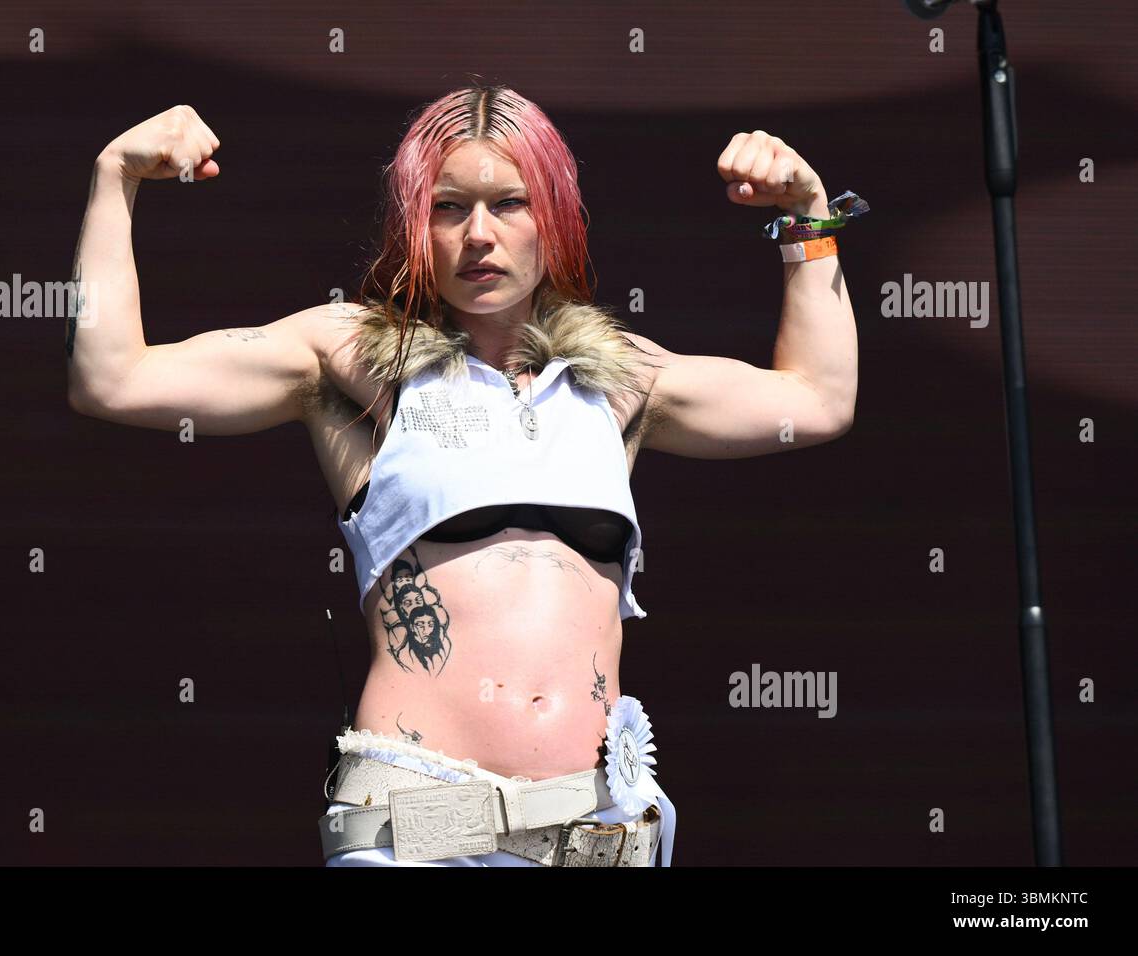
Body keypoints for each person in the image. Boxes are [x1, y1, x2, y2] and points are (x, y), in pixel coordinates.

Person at [65, 85, 859, 867]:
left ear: (555, 216)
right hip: (420, 825)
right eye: (448, 207)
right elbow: (114, 378)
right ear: (416, 222)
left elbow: (817, 400)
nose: (479, 234)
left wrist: (809, 217)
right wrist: (115, 178)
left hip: (594, 831)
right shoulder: (350, 359)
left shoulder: (620, 379)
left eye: (510, 203)